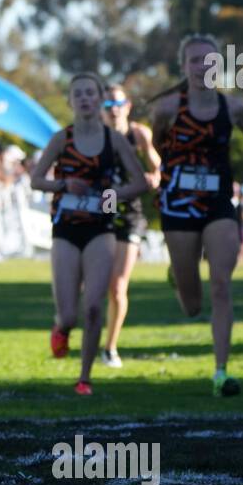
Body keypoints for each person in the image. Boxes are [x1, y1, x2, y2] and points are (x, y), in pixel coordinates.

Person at [151, 34, 243, 397]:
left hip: (218, 203)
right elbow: (158, 144)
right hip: (178, 204)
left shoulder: (233, 108)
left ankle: (220, 372)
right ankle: (178, 276)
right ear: (184, 67)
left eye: (209, 60)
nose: (203, 67)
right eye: (195, 60)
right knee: (192, 306)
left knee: (221, 285)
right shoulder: (167, 108)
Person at [31, 73, 149, 395]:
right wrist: (63, 185)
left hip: (102, 228)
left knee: (95, 305)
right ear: (70, 101)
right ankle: (62, 328)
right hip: (66, 229)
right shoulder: (61, 139)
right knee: (70, 313)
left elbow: (140, 183)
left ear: (99, 100)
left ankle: (84, 378)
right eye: (78, 94)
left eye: (90, 93)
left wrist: (110, 196)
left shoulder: (115, 141)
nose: (84, 99)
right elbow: (36, 180)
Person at [100, 82, 160, 368]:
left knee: (117, 287)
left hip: (130, 214)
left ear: (128, 107)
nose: (113, 111)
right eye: (107, 106)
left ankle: (110, 347)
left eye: (117, 105)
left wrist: (155, 177)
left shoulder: (138, 134)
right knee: (93, 285)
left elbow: (157, 165)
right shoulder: (90, 136)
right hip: (99, 214)